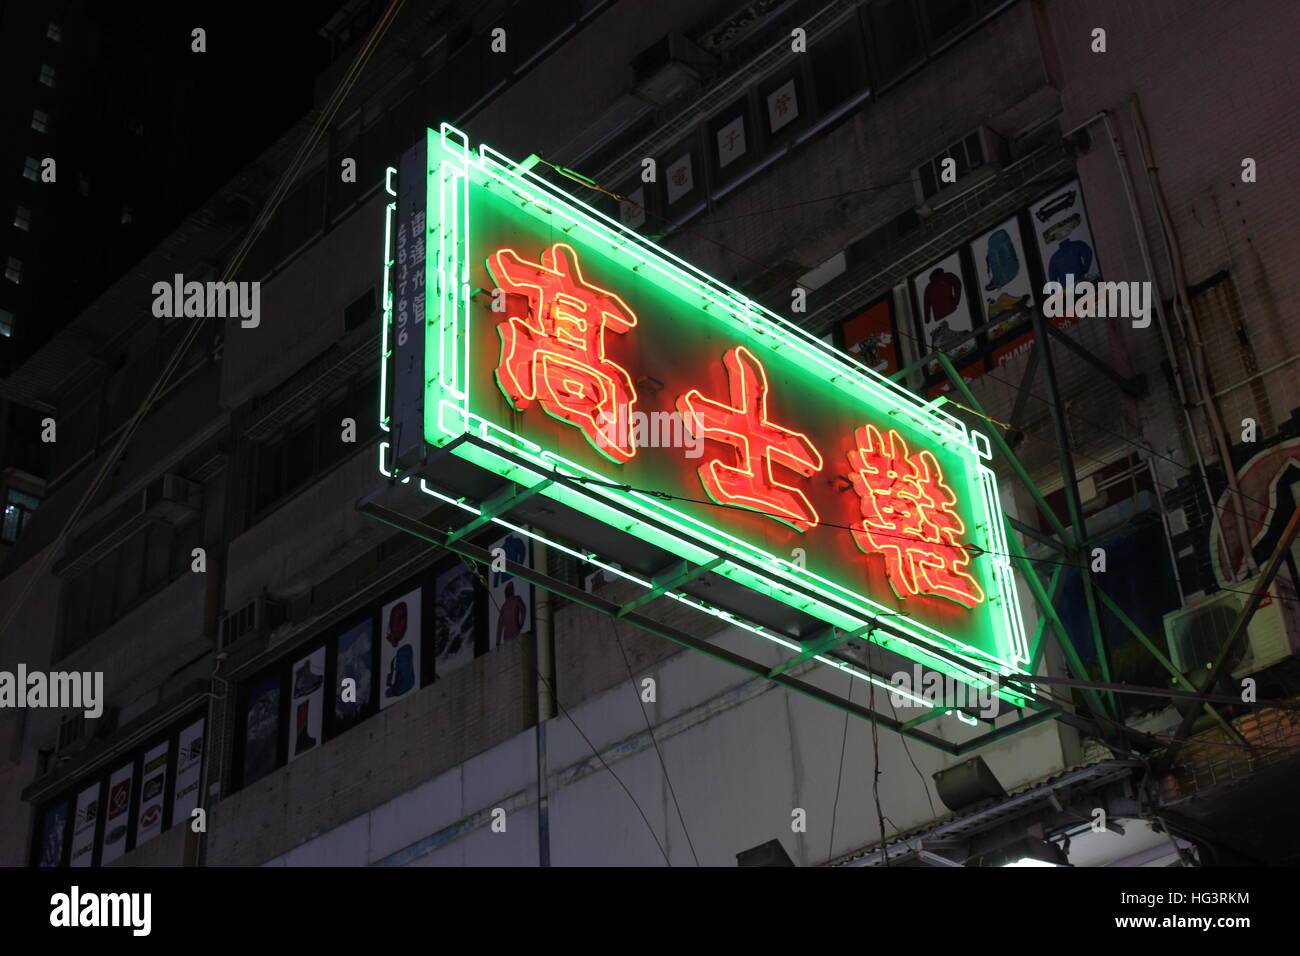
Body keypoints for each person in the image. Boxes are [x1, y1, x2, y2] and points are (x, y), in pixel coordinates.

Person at [496, 582, 527, 646]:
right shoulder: (517, 600)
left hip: (507, 637)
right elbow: (523, 610)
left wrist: (497, 642)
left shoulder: (504, 607)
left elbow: (500, 625)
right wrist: (521, 623)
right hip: (515, 633)